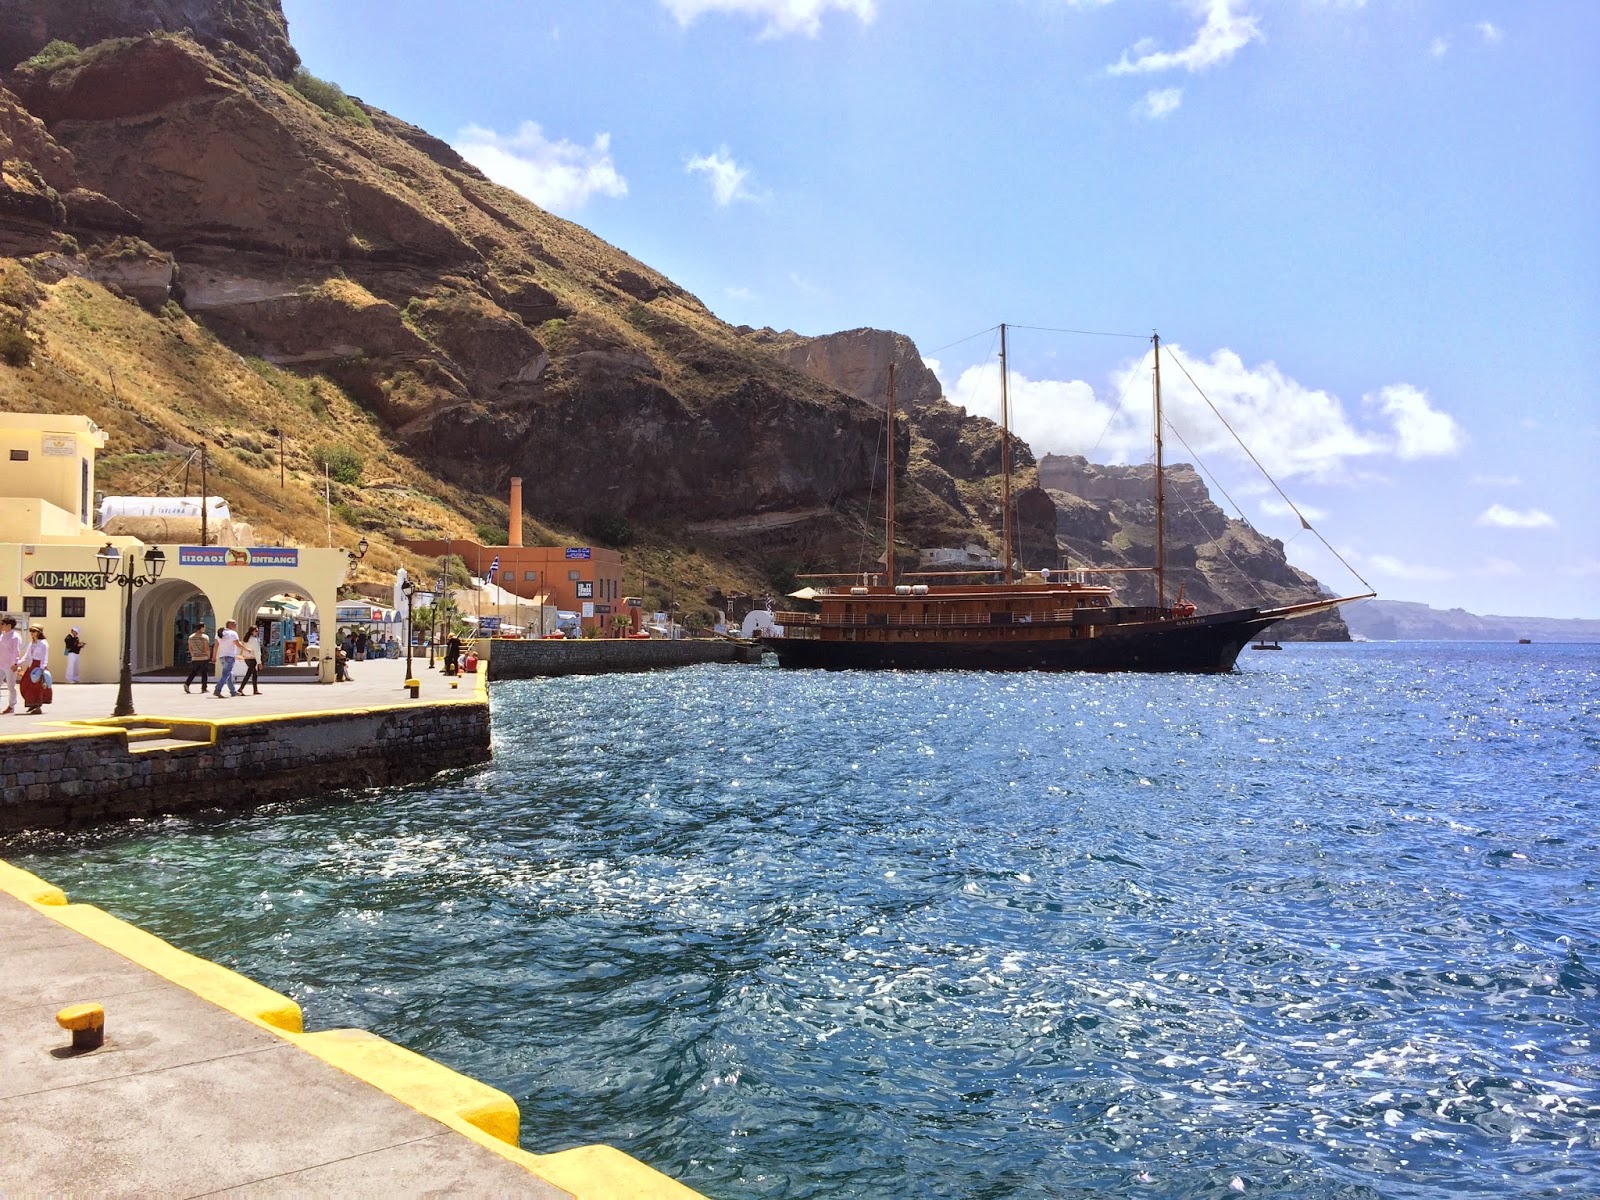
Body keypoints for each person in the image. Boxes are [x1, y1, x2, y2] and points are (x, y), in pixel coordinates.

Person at [17, 624, 50, 714]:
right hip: (31, 666)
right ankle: (32, 704)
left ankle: (37, 705)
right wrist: (18, 663)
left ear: (39, 633)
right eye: (31, 631)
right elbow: (27, 656)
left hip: (39, 666)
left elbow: (44, 657)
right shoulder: (32, 643)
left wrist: (42, 668)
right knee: (25, 684)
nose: (32, 633)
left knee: (37, 687)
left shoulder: (43, 643)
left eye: (34, 631)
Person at [212, 619, 241, 698]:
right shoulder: (233, 633)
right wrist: (247, 649)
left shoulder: (220, 633)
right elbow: (238, 645)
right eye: (235, 624)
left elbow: (215, 646)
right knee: (226, 674)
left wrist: (214, 657)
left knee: (229, 674)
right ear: (230, 625)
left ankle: (233, 691)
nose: (236, 626)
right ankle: (217, 690)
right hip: (229, 656)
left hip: (222, 657)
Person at [0, 616, 21, 714]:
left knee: (11, 686)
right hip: (1, 664)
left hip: (10, 665)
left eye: (3, 624)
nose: (1, 626)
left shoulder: (15, 637)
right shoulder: (2, 635)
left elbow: (16, 652)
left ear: (9, 625)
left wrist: (15, 664)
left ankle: (11, 705)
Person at [184, 622, 212, 693]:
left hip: (195, 658)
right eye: (204, 627)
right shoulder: (204, 637)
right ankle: (204, 688)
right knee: (204, 673)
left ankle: (187, 683)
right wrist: (208, 656)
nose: (205, 629)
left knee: (193, 672)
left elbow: (190, 648)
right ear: (201, 628)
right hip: (203, 657)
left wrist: (193, 655)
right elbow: (206, 648)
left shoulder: (191, 637)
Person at [237, 625, 262, 696]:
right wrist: (259, 662)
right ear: (252, 632)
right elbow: (257, 651)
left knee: (254, 674)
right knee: (249, 674)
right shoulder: (254, 640)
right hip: (252, 659)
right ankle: (241, 688)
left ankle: (255, 690)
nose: (257, 632)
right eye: (256, 631)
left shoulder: (246, 639)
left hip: (247, 658)